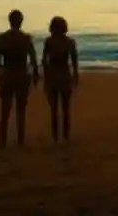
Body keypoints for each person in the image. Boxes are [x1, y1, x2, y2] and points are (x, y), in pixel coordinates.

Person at [0, 9, 38, 148]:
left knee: (5, 109)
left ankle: (3, 141)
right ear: (21, 22)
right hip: (21, 75)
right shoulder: (26, 38)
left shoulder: (3, 38)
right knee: (21, 110)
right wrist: (35, 73)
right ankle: (20, 140)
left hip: (8, 74)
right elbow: (33, 58)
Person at [41, 15, 79, 144]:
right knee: (66, 108)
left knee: (54, 109)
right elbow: (74, 61)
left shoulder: (49, 42)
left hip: (53, 75)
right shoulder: (70, 42)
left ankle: (55, 137)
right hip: (65, 75)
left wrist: (45, 77)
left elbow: (44, 61)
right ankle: (66, 136)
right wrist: (75, 76)